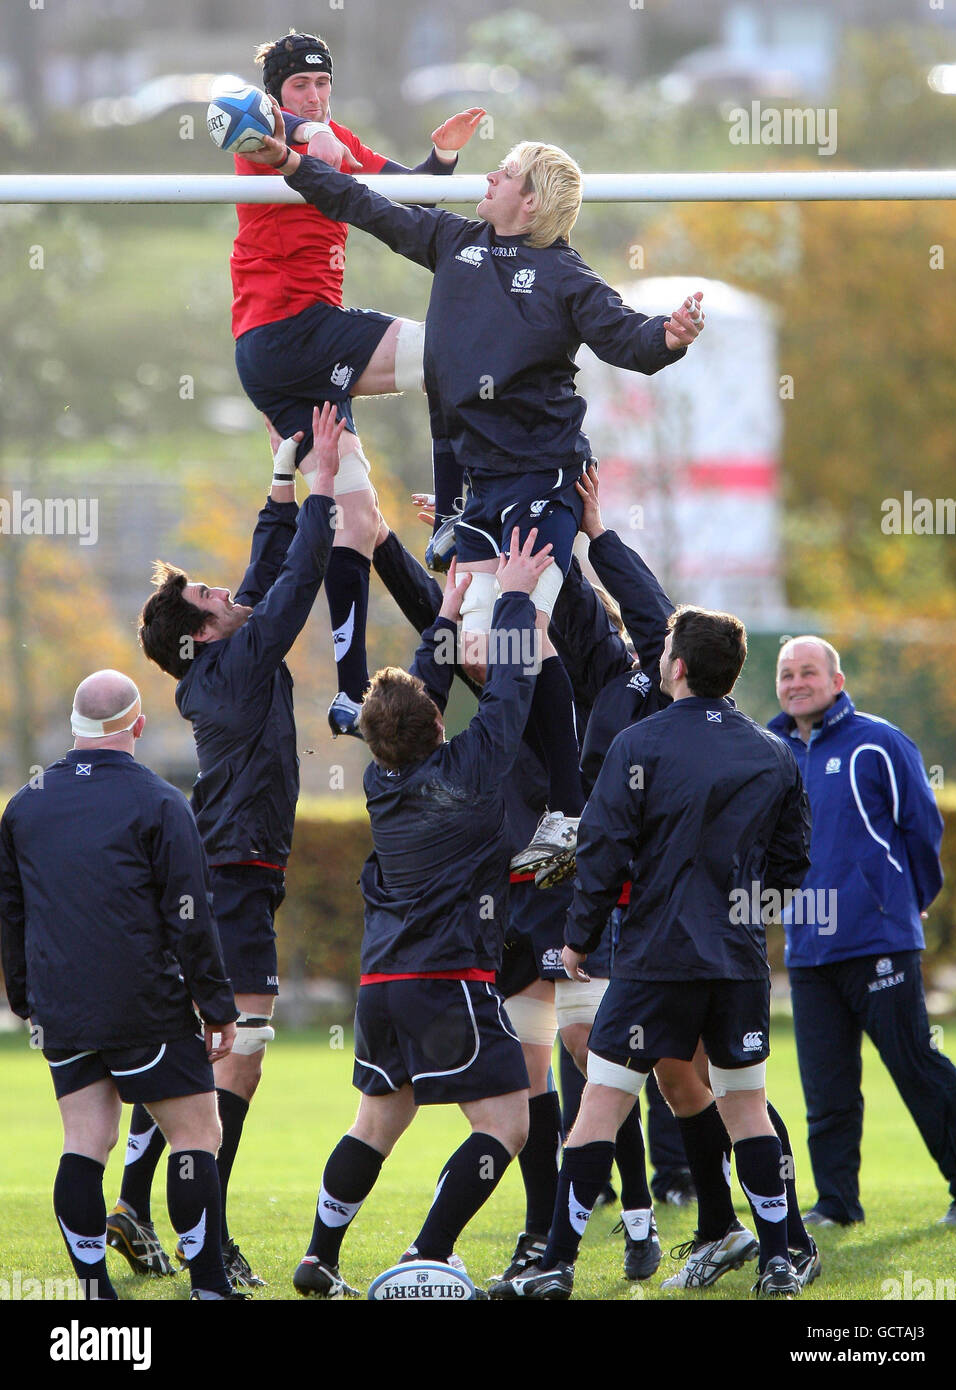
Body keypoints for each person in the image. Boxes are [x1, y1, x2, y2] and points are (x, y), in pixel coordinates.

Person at [247, 117, 704, 866]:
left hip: (541, 484)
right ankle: (558, 802)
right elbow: (366, 206)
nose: (486, 180)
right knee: (496, 652)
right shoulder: (456, 243)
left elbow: (628, 338)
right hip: (484, 489)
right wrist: (289, 161)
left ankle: (564, 810)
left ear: (530, 204)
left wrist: (671, 336)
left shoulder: (565, 277)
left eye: (503, 175)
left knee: (512, 639)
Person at [491, 606, 813, 1299]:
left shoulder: (637, 745)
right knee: (745, 1105)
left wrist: (577, 939)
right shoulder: (772, 751)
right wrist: (739, 916)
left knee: (601, 1103)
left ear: (675, 667)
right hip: (735, 962)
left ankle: (556, 1264)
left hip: (654, 957)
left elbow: (601, 854)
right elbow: (792, 864)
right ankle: (778, 1261)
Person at [105, 404, 342, 1288]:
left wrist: (281, 483)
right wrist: (323, 483)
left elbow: (264, 571)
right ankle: (208, 1235)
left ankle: (133, 1194)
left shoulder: (214, 662)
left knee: (192, 1043)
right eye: (210, 597)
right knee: (240, 1057)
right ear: (200, 632)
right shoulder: (237, 663)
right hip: (238, 873)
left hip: (223, 868)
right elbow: (298, 577)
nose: (227, 595)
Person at [291, 529, 552, 1297]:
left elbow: (415, 707)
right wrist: (510, 594)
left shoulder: (383, 780)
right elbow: (509, 691)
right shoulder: (470, 771)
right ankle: (424, 1252)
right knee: (505, 1124)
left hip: (381, 984)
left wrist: (446, 608)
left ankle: (319, 1258)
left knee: (376, 1122)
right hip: (448, 981)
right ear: (437, 723)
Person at [231, 29, 485, 735]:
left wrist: (444, 157)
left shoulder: (331, 132)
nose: (313, 96)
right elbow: (236, 112)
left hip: (275, 356)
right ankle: (457, 513)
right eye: (299, 87)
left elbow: (409, 203)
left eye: (321, 86)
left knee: (358, 518)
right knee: (453, 351)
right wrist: (307, 128)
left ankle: (348, 692)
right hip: (293, 332)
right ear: (277, 92)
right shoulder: (259, 133)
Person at [0, 671, 242, 1301]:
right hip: (146, 1004)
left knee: (85, 1142)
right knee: (197, 1137)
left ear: (77, 726)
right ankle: (211, 1287)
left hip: (62, 1008)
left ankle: (91, 1291)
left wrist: (27, 999)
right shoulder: (162, 801)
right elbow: (190, 914)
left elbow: (12, 912)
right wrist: (217, 1006)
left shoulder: (25, 803)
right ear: (136, 726)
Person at [771, 636, 956, 1228]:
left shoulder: (880, 742)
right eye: (786, 673)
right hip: (809, 949)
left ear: (837, 681)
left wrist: (909, 903)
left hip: (880, 942)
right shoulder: (770, 748)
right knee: (826, 1089)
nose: (795, 682)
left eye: (809, 671)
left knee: (916, 1066)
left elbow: (923, 828)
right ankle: (836, 1205)